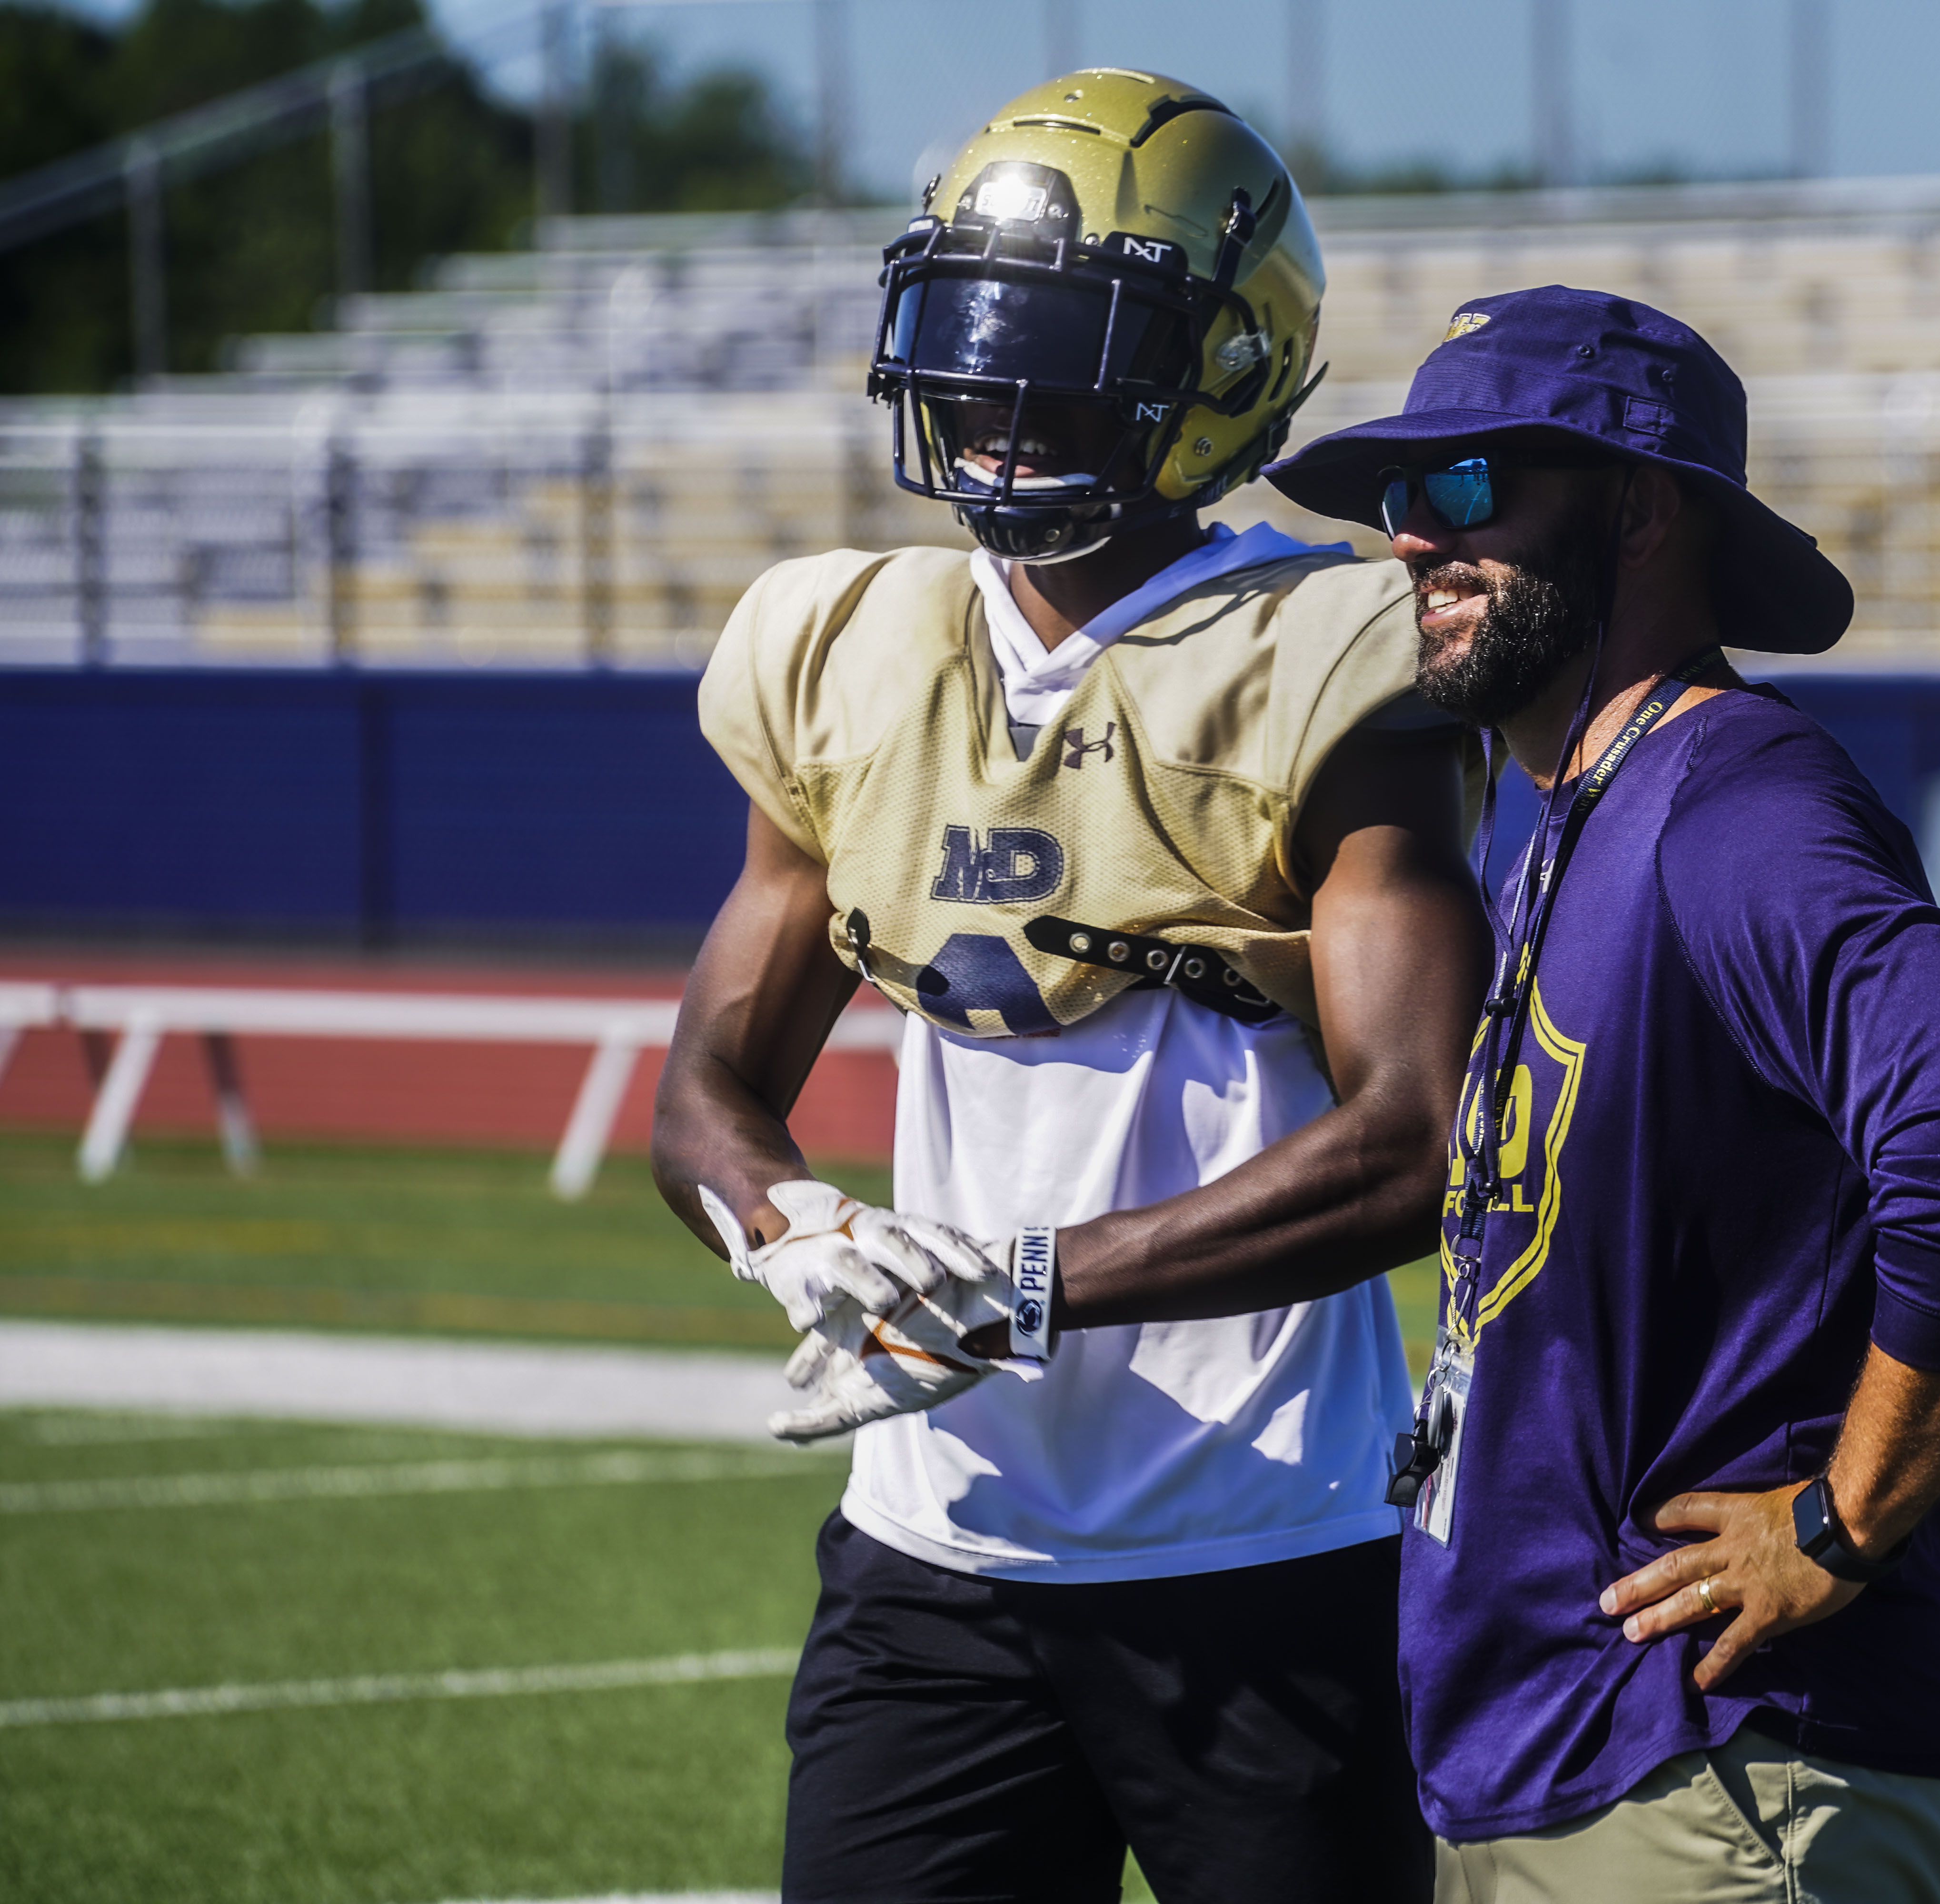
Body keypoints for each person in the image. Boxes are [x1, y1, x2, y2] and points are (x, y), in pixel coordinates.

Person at [650, 71, 1481, 1904]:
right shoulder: (840, 644)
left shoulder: (1331, 650)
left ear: (1226, 370)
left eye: (1068, 346)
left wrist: (1022, 1287)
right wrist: (794, 1232)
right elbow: (703, 1092)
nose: (995, 394)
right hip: (931, 1557)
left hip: (1265, 1544)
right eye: (974, 332)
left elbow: (1418, 1143)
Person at [1264, 286, 1940, 1902]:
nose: (1413, 537)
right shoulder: (1575, 814)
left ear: (1641, 511)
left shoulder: (1734, 805)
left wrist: (1841, 1522)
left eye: (1468, 485)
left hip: (1717, 1767)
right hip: (1571, 1757)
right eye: (1399, 495)